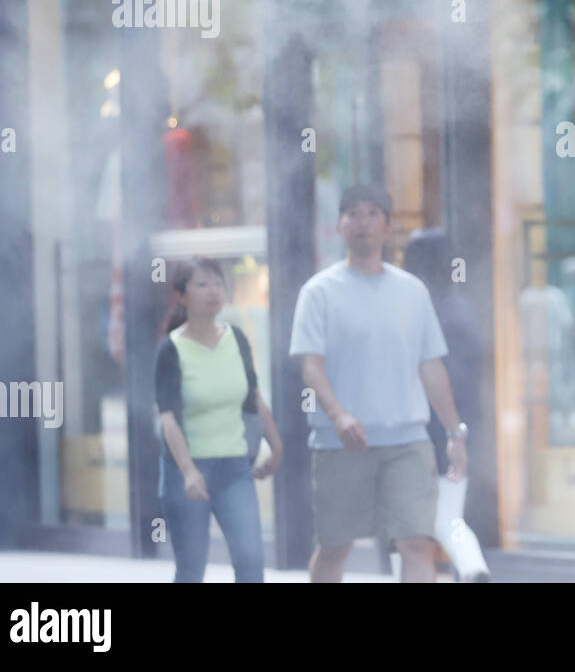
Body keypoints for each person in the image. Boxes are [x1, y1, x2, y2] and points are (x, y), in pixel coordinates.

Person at [290, 185, 468, 583]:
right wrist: (338, 415)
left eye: (373, 213)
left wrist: (456, 433)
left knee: (416, 543)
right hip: (340, 444)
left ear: (388, 227)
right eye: (353, 213)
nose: (363, 222)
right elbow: (310, 366)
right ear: (339, 226)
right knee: (336, 547)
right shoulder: (319, 292)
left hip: (407, 441)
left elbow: (432, 367)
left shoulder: (412, 291)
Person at [154, 256, 282, 583]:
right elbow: (168, 418)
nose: (213, 291)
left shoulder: (236, 339)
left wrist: (275, 444)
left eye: (218, 283)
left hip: (235, 469)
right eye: (202, 284)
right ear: (181, 295)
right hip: (187, 472)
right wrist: (188, 471)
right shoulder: (171, 350)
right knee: (192, 568)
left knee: (251, 562)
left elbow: (253, 396)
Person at [404, 227, 490, 582]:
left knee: (409, 527)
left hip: (414, 430)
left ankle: (470, 569)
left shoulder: (410, 310)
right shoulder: (461, 309)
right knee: (449, 516)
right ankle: (472, 567)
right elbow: (474, 373)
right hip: (459, 429)